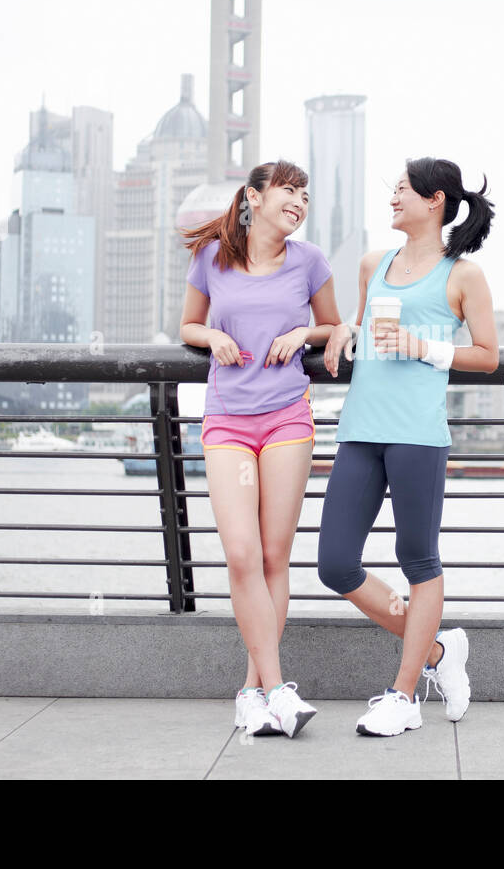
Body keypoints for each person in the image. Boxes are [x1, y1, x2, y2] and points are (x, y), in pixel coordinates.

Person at [319, 157, 499, 737]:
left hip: (418, 434)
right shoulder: (374, 264)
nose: (392, 198)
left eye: (401, 190)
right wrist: (345, 328)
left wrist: (425, 345)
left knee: (418, 561)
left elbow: (488, 355)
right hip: (360, 429)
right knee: (335, 563)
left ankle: (402, 695)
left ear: (435, 200)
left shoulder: (462, 275)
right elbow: (359, 321)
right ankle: (442, 654)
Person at [180, 160, 341, 738]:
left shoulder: (310, 261)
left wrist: (304, 333)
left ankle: (254, 693)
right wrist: (214, 336)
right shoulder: (213, 257)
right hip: (227, 421)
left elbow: (334, 328)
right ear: (255, 196)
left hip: (288, 420)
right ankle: (276, 690)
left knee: (275, 557)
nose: (299, 201)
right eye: (288, 192)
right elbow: (187, 328)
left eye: (305, 193)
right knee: (242, 555)